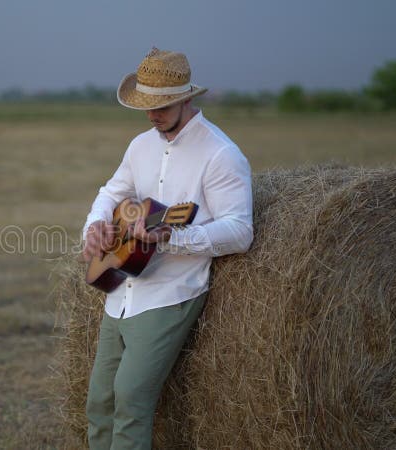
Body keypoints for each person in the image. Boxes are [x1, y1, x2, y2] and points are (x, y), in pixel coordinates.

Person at [81, 48, 254, 449]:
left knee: (129, 401)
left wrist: (175, 236)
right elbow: (111, 192)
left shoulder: (221, 155)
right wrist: (94, 227)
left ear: (187, 97)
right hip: (120, 289)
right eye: (147, 106)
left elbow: (240, 231)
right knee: (99, 403)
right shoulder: (140, 145)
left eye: (162, 105)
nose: (152, 115)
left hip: (172, 292)